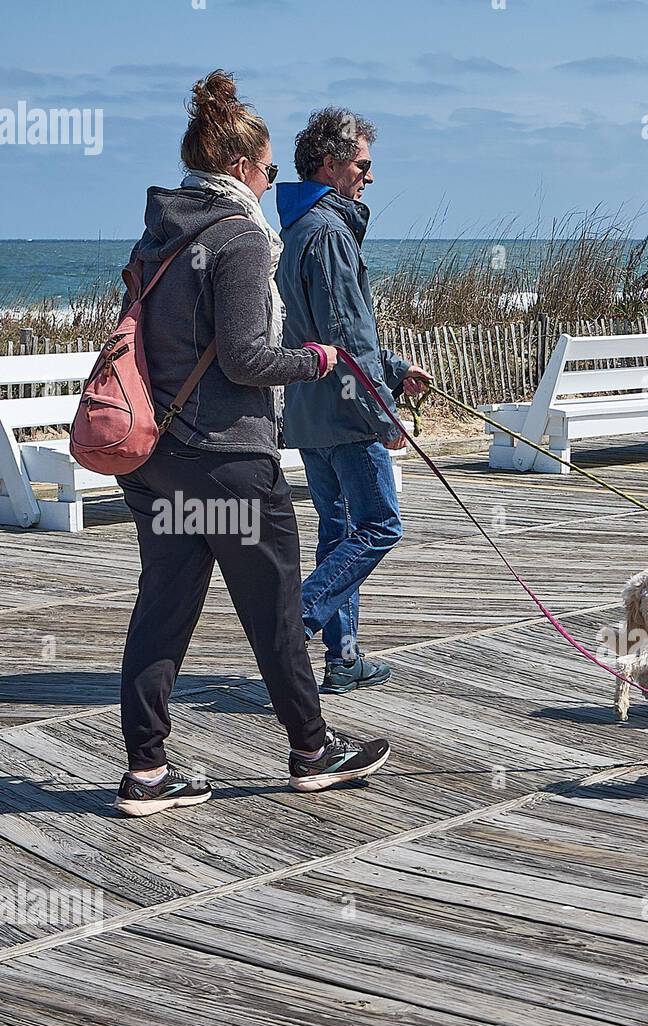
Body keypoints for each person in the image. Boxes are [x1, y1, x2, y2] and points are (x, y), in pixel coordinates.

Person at [115, 71, 390, 817]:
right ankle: (311, 749)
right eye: (269, 172)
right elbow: (246, 360)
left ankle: (146, 771)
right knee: (272, 612)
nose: (272, 184)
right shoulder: (237, 237)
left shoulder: (160, 234)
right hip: (231, 463)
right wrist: (321, 359)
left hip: (160, 461)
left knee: (162, 611)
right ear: (241, 170)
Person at [276, 106, 433, 694]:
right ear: (330, 164)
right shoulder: (327, 232)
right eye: (363, 165)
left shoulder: (298, 229)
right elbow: (345, 337)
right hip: (344, 415)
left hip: (312, 412)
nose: (370, 177)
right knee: (380, 525)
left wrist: (394, 370)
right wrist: (384, 414)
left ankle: (343, 659)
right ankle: (297, 621)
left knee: (338, 531)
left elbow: (329, 332)